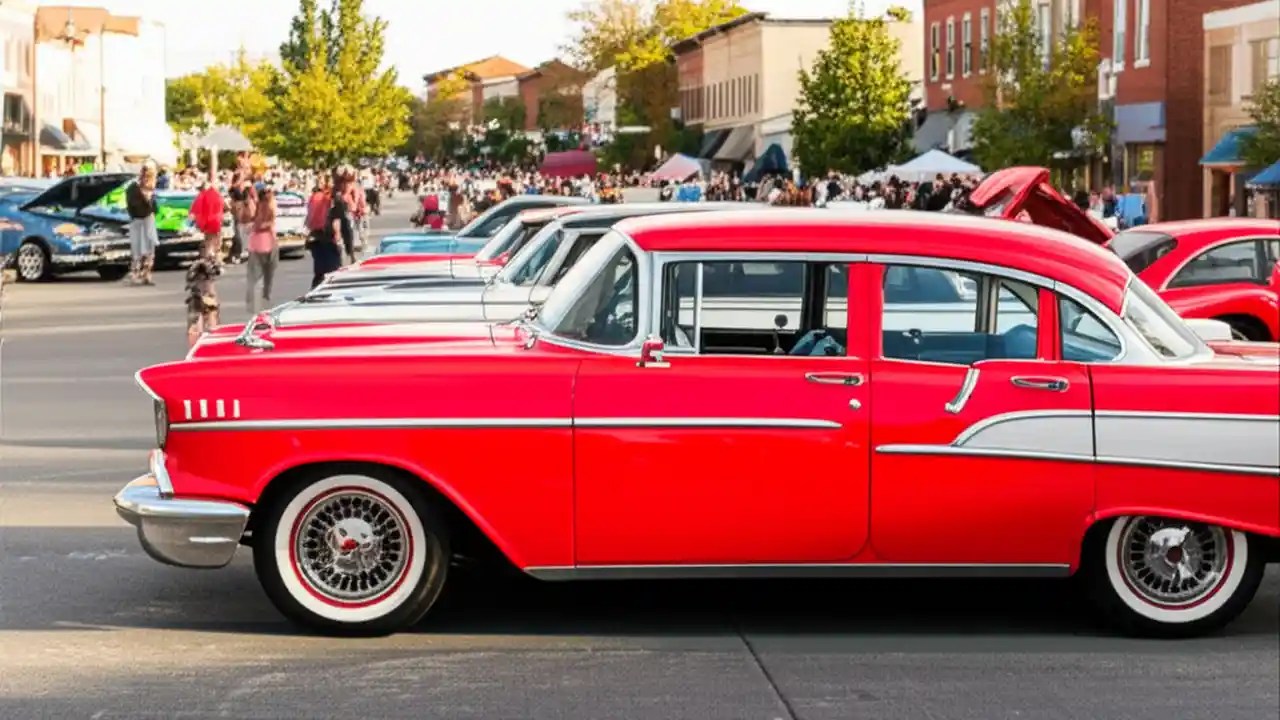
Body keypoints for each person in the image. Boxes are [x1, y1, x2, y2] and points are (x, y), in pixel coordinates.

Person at [312, 173, 350, 288]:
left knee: (319, 272)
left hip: (316, 239)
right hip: (330, 240)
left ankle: (315, 293)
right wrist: (348, 247)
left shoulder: (315, 196)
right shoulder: (335, 199)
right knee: (333, 272)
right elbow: (340, 224)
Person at [246, 182, 279, 313]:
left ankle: (253, 297)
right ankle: (266, 294)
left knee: (254, 273)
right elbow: (270, 225)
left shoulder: (258, 206)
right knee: (269, 271)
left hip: (256, 243)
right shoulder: (269, 207)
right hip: (268, 242)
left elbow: (252, 221)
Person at [125, 165, 159, 286]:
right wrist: (146, 198)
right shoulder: (133, 189)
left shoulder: (151, 190)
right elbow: (132, 206)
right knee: (137, 248)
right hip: (138, 221)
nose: (148, 179)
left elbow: (155, 208)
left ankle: (146, 274)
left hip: (147, 220)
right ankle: (135, 274)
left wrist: (150, 199)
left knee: (149, 249)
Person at [185, 242, 222, 348]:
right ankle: (198, 344)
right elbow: (190, 279)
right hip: (198, 298)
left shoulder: (210, 265)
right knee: (197, 324)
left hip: (208, 298)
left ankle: (211, 342)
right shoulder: (197, 265)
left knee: (212, 321)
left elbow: (217, 272)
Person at [189, 177, 225, 260]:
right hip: (216, 220)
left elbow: (195, 209)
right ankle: (214, 255)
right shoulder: (217, 195)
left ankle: (209, 254)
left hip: (205, 221)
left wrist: (193, 219)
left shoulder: (201, 196)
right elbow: (224, 205)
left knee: (208, 239)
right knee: (216, 238)